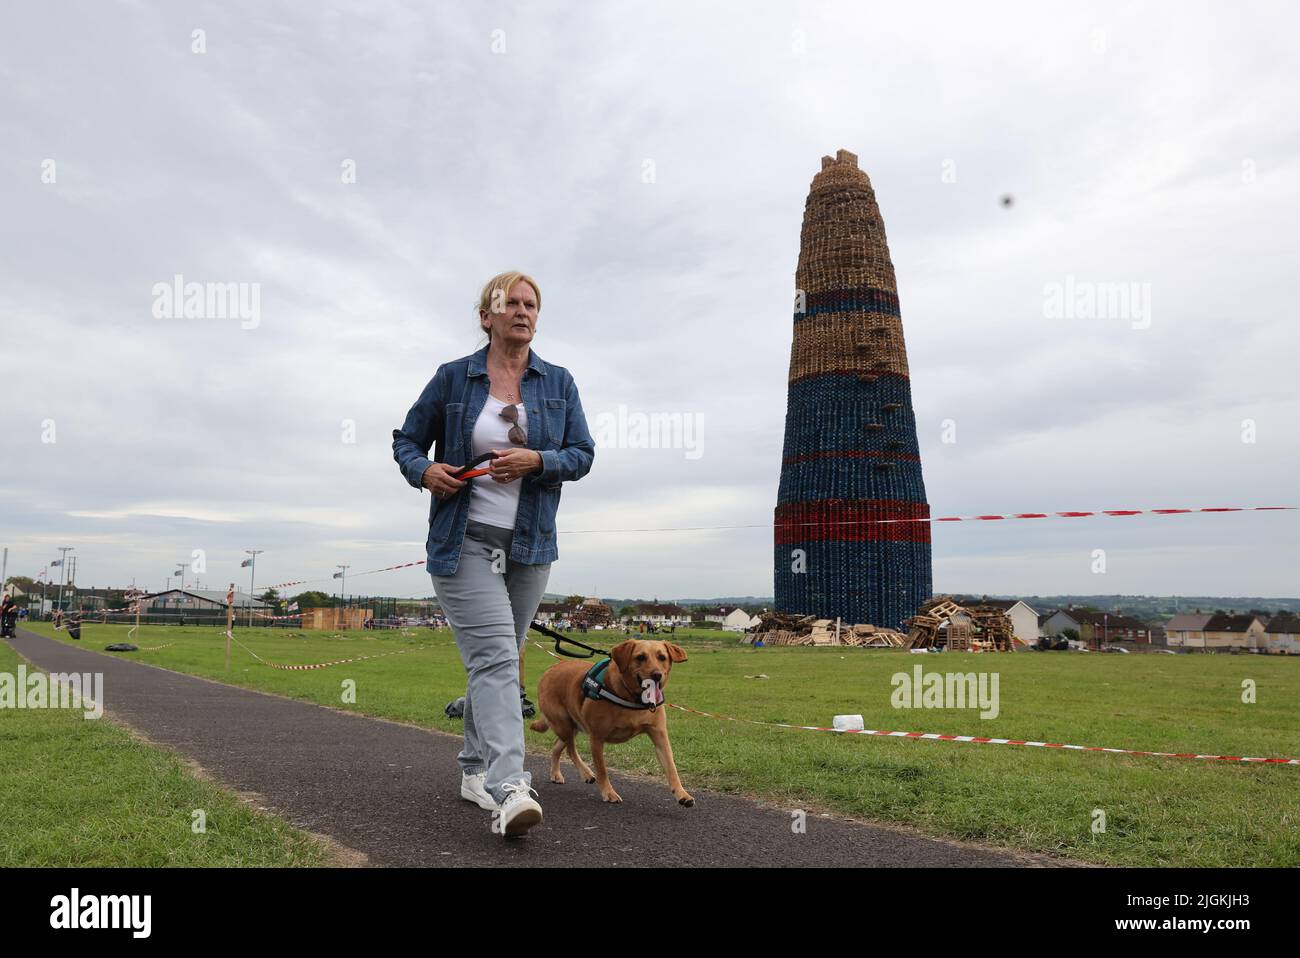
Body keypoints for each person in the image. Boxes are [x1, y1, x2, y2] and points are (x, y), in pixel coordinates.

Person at [392, 270, 595, 838]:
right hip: (464, 540)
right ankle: (511, 788)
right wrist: (424, 470)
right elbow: (406, 440)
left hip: (531, 545)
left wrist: (539, 461)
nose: (523, 312)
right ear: (487, 315)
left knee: (498, 661)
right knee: (499, 661)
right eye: (511, 304)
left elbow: (582, 453)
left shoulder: (558, 383)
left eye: (532, 304)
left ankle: (471, 770)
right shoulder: (453, 378)